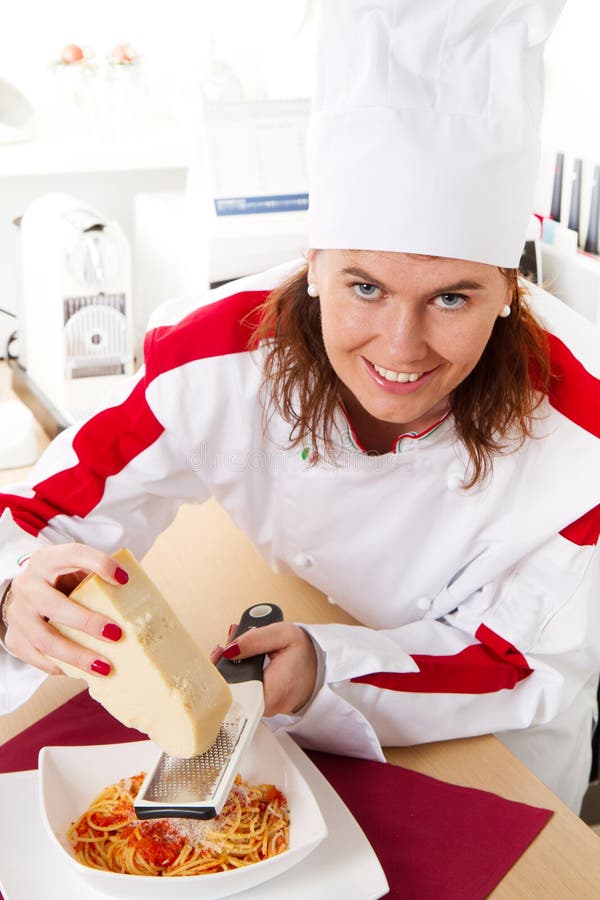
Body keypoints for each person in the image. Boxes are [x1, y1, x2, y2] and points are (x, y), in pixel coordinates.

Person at [1, 0, 599, 814]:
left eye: (453, 297)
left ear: (509, 289)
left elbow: (519, 662)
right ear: (313, 264)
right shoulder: (214, 355)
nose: (402, 346)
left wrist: (326, 668)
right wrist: (14, 591)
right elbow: (43, 513)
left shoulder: (584, 435)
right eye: (365, 286)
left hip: (492, 740)